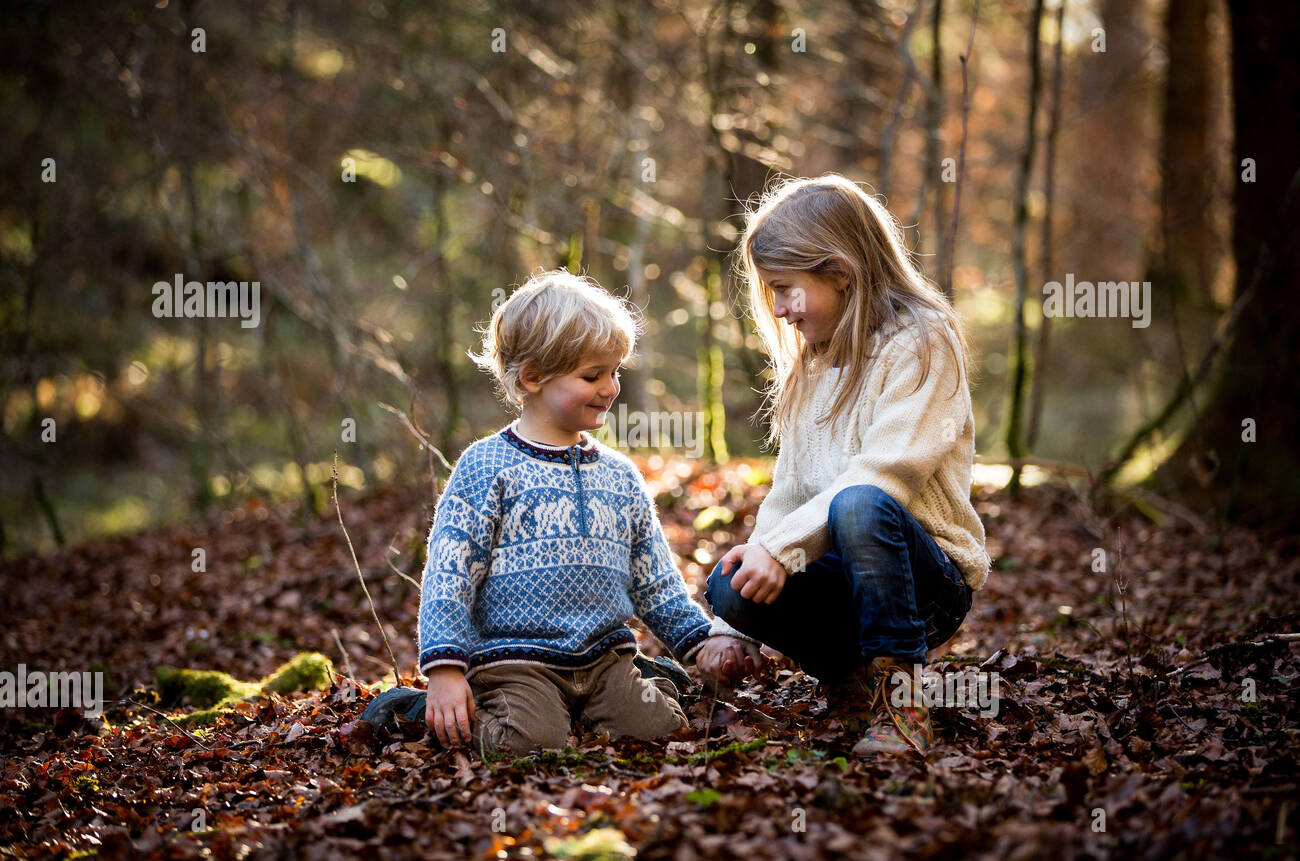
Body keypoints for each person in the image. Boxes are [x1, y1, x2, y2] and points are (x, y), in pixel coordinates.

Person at [369, 268, 745, 754]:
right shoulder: (487, 466)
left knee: (660, 730)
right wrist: (444, 671)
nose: (610, 387)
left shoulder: (619, 475)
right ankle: (417, 710)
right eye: (592, 375)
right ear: (531, 378)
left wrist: (700, 642)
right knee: (528, 743)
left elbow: (653, 580)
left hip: (603, 659)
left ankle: (645, 679)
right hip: (515, 662)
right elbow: (449, 575)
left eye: (615, 372)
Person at [702, 174, 992, 756]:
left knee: (859, 503)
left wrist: (783, 551)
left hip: (924, 584)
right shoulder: (813, 363)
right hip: (843, 583)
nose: (780, 310)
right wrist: (732, 630)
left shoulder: (923, 342)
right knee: (730, 587)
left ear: (839, 273)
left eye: (785, 289)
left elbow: (889, 474)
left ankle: (900, 702)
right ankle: (853, 680)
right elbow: (785, 493)